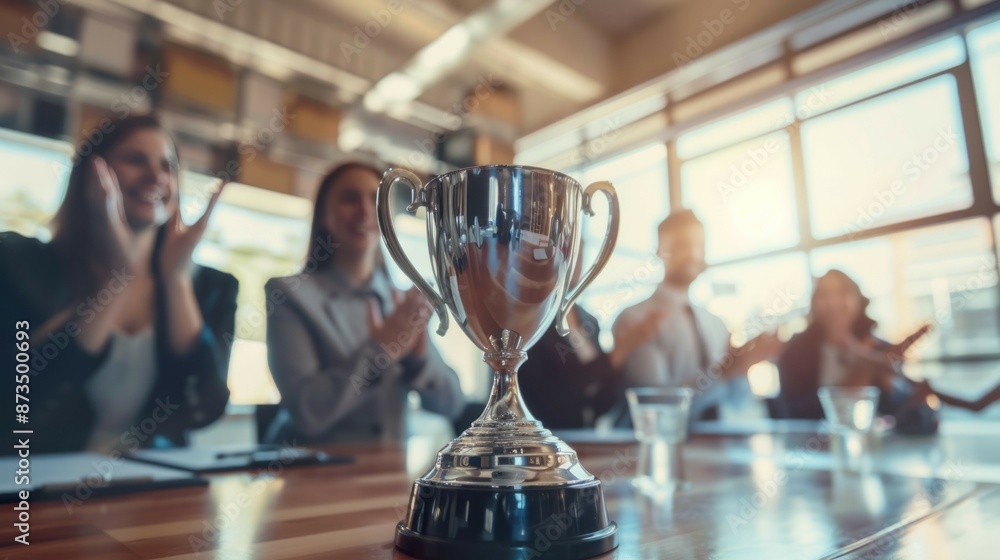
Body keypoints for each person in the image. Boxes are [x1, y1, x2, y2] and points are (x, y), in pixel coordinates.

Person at [1, 114, 236, 453]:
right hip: (34, 476)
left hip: (150, 479)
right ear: (92, 173)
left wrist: (177, 280)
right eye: (135, 160)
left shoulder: (214, 287)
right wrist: (117, 280)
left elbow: (204, 409)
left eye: (168, 166)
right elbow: (19, 404)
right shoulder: (19, 264)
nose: (156, 176)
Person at [264, 163, 464, 444]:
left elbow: (452, 405)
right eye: (350, 198)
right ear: (323, 215)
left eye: (376, 199)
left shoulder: (400, 303)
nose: (366, 210)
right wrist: (380, 350)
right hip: (308, 466)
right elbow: (306, 413)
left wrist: (419, 362)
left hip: (387, 467)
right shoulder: (290, 295)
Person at [613, 210, 782, 421]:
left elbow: (737, 402)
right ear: (659, 252)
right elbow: (657, 407)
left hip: (720, 440)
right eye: (681, 245)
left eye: (699, 245)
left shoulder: (717, 323)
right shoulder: (634, 320)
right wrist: (724, 373)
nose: (693, 254)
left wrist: (744, 365)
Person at [776, 269, 938, 434]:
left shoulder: (881, 350)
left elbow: (912, 417)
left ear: (858, 300)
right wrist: (859, 373)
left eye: (841, 292)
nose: (832, 302)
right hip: (819, 447)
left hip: (880, 446)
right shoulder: (794, 353)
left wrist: (887, 382)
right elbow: (792, 415)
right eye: (823, 294)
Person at [518, 250, 666, 429]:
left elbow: (601, 403)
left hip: (587, 436)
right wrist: (620, 349)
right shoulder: (531, 319)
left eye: (579, 252)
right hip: (545, 435)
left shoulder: (589, 320)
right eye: (565, 250)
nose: (573, 259)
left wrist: (620, 354)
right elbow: (551, 398)